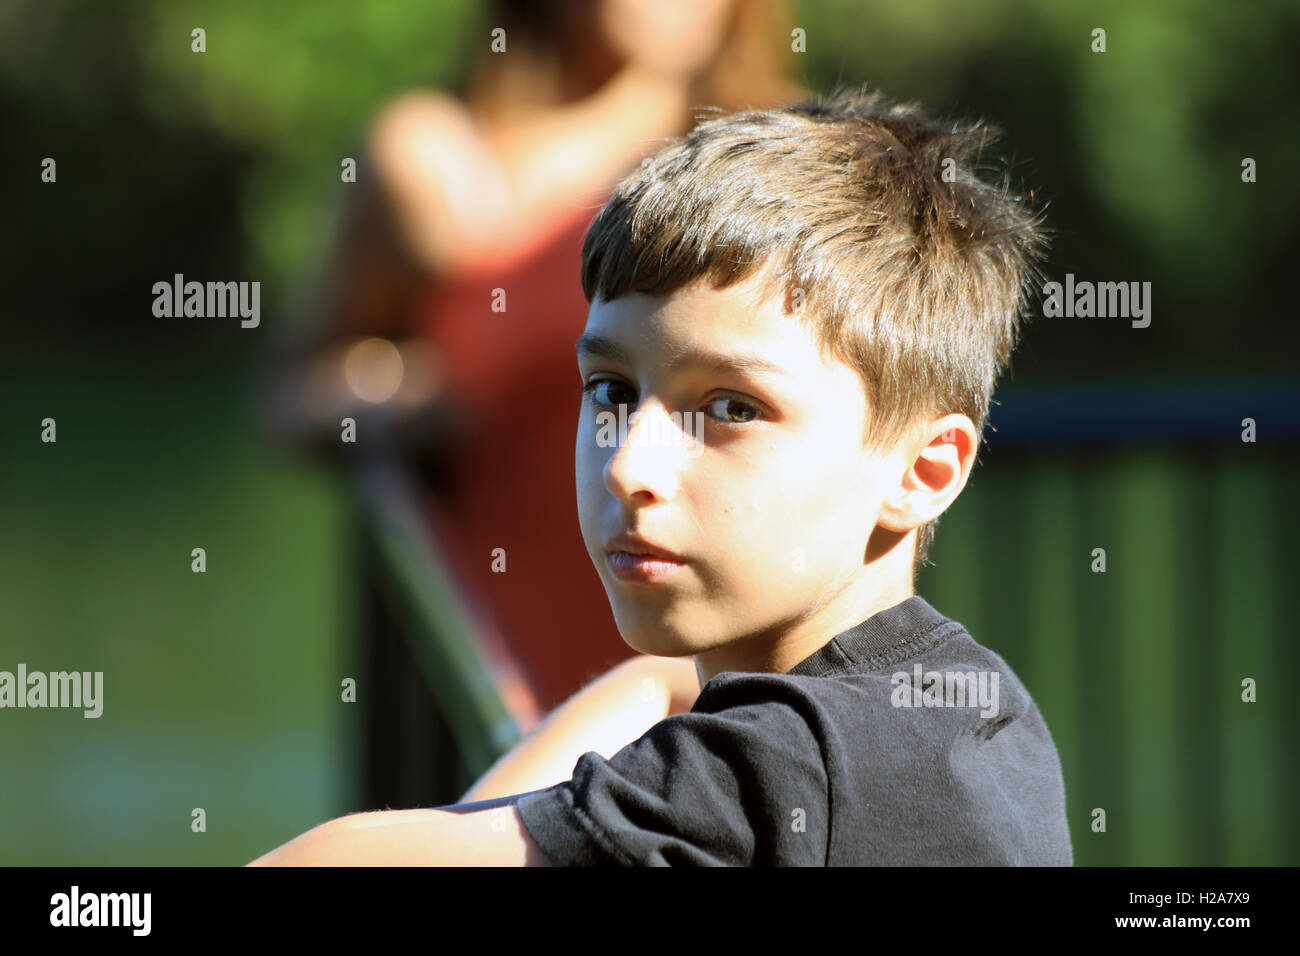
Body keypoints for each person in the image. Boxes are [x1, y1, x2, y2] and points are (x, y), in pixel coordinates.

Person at [249, 85, 1073, 866]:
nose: (630, 464)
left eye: (732, 408)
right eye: (610, 391)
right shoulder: (975, 705)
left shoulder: (762, 775)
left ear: (924, 470)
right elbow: (666, 680)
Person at [265, 0, 806, 718]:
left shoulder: (789, 156)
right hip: (508, 688)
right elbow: (292, 393)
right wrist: (391, 391)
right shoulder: (439, 161)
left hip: (741, 698)